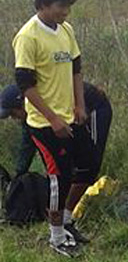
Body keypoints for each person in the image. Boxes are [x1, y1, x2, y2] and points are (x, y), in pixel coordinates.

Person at [12, 0, 94, 256]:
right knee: (59, 178)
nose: (65, 13)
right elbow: (26, 84)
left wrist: (80, 105)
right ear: (44, 4)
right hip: (44, 123)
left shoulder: (66, 30)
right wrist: (54, 119)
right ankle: (56, 238)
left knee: (88, 167)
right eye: (61, 6)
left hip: (71, 116)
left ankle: (67, 222)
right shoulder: (28, 36)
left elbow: (76, 69)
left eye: (68, 7)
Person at [0, 82, 112, 237]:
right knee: (69, 168)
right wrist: (19, 174)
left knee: (90, 165)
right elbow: (28, 143)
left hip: (93, 109)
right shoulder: (31, 115)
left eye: (13, 113)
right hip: (68, 118)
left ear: (23, 104)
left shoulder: (48, 102)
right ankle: (66, 216)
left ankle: (70, 217)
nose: (13, 118)